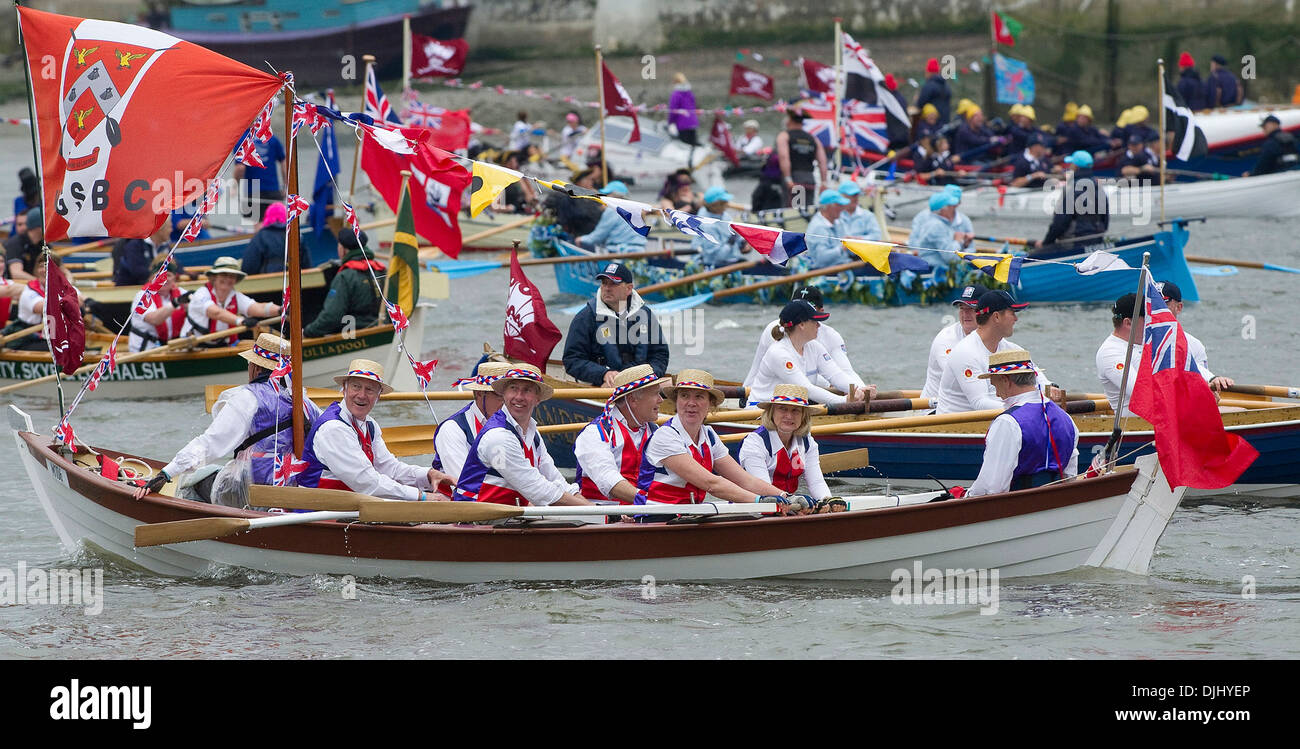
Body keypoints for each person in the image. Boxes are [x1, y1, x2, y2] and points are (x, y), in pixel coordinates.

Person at [132, 333, 326, 501]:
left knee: (190, 481)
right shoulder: (303, 401)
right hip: (295, 490)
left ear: (255, 368)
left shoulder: (247, 397)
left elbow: (209, 445)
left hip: (252, 492)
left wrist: (166, 473)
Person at [636, 368, 796, 508]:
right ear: (676, 401)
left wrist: (786, 497)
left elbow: (745, 480)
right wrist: (760, 501)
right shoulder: (666, 436)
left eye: (699, 397)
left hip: (686, 516)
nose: (691, 403)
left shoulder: (709, 435)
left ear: (710, 404)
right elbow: (711, 484)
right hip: (654, 517)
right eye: (684, 396)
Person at [298, 359, 452, 499]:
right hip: (317, 510)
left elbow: (389, 468)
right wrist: (422, 497)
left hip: (348, 506)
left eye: (370, 390)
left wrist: (428, 474)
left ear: (378, 396)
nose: (362, 395)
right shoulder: (333, 429)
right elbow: (367, 482)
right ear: (344, 390)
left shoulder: (370, 425)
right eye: (356, 387)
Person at [454, 363, 593, 507]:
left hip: (508, 518)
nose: (519, 397)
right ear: (504, 394)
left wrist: (593, 509)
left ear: (538, 399)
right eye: (513, 389)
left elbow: (554, 479)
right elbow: (538, 491)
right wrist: (592, 511)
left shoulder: (534, 434)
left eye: (527, 390)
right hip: (476, 520)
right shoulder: (497, 437)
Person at [964, 349, 1078, 496]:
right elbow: (1070, 475)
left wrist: (964, 496)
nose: (997, 394)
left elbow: (991, 487)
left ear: (1006, 381)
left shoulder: (1007, 422)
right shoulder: (1066, 418)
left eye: (995, 385)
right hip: (1057, 500)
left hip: (1017, 505)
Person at [937, 290, 1054, 414]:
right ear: (996, 317)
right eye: (1012, 313)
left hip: (998, 418)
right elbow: (980, 402)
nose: (1016, 319)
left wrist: (1051, 389)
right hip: (956, 426)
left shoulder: (1012, 350)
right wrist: (1025, 408)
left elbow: (1040, 380)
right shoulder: (965, 352)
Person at [747, 299, 872, 407]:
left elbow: (835, 375)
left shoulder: (814, 347)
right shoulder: (778, 353)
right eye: (815, 321)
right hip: (761, 410)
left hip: (789, 411)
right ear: (801, 324)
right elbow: (806, 389)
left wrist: (860, 390)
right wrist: (844, 401)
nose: (819, 325)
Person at [573, 364, 669, 504]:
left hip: (644, 513)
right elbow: (608, 479)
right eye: (655, 393)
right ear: (632, 400)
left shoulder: (656, 432)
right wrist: (652, 503)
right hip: (603, 518)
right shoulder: (595, 433)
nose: (661, 400)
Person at [563, 261, 669, 387]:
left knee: (669, 384)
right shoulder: (585, 317)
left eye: (613, 283)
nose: (607, 288)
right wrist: (603, 374)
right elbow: (572, 360)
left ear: (629, 288)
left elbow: (660, 355)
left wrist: (647, 376)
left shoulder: (646, 315)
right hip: (600, 384)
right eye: (604, 283)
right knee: (611, 386)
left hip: (640, 383)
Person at [739, 384, 832, 502]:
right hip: (753, 508)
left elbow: (816, 482)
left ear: (804, 416)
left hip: (788, 505)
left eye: (796, 410)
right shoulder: (754, 443)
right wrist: (792, 501)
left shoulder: (808, 442)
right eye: (783, 408)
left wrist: (828, 501)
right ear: (772, 412)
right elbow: (762, 488)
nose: (789, 416)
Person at [431, 361, 512, 492]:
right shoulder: (452, 429)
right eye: (500, 395)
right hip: (462, 506)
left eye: (511, 395)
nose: (508, 403)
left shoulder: (520, 425)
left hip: (507, 502)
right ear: (479, 393)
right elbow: (465, 485)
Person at [181, 256, 281, 345]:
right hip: (194, 344)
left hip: (222, 344)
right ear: (214, 277)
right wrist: (241, 321)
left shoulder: (236, 296)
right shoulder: (201, 294)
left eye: (232, 276)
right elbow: (216, 313)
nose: (228, 279)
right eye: (224, 275)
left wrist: (281, 310)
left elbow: (258, 308)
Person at [302, 230, 383, 338]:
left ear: (343, 249)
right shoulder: (381, 271)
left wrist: (308, 332)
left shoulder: (344, 277)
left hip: (353, 335)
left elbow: (331, 316)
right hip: (382, 329)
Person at [1158, 281, 1234, 391]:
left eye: (1163, 305)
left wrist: (1213, 379)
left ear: (1179, 308)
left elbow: (1198, 384)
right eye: (1152, 305)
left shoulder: (1194, 345)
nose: (1156, 311)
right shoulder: (1135, 339)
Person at [920, 283, 987, 400]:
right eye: (962, 308)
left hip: (971, 405)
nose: (965, 314)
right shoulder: (946, 339)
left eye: (971, 309)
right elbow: (961, 379)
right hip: (936, 410)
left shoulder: (995, 338)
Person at [1033, 151, 1109, 250]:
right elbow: (1105, 221)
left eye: (1071, 165)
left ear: (1076, 167)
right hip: (1096, 241)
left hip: (1073, 244)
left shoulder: (1071, 189)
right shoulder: (1100, 189)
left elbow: (1060, 223)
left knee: (1036, 253)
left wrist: (1046, 243)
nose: (1069, 168)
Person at [4, 253, 82, 350]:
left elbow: (80, 302)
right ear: (36, 270)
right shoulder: (29, 291)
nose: (44, 270)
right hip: (29, 340)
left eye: (49, 266)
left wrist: (66, 285)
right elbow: (46, 307)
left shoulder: (65, 287)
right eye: (41, 266)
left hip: (55, 340)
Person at [127, 256, 187, 352]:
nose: (164, 279)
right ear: (152, 278)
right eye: (160, 275)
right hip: (145, 350)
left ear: (174, 279)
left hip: (173, 349)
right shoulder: (142, 296)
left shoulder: (181, 293)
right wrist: (175, 303)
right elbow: (154, 319)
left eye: (168, 275)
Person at [1095, 292, 1142, 416]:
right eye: (1149, 319)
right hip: (1134, 428)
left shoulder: (1150, 344)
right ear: (1128, 323)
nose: (1154, 324)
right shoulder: (1110, 352)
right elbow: (1139, 391)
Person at [909, 189, 971, 275]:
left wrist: (964, 244)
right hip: (931, 272)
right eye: (950, 206)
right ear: (942, 210)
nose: (954, 208)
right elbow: (950, 257)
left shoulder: (940, 224)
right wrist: (958, 241)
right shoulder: (936, 226)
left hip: (936, 269)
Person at [239, 202, 311, 276]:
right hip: (292, 280)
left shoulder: (260, 237)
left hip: (269, 281)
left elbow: (248, 266)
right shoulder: (296, 236)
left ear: (266, 217)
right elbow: (307, 265)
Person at [576, 181, 648, 254]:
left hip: (623, 253)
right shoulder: (632, 209)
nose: (601, 198)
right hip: (639, 252)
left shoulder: (613, 210)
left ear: (614, 197)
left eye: (606, 195)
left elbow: (598, 236)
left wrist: (581, 239)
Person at [776, 108, 827, 207]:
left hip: (794, 179)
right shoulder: (813, 139)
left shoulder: (784, 136)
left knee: (794, 212)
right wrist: (824, 182)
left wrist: (788, 179)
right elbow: (822, 161)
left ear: (790, 120)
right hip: (810, 179)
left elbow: (784, 157)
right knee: (807, 210)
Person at [234, 131, 286, 221]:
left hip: (252, 189)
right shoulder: (271, 138)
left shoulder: (242, 140)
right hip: (273, 189)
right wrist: (286, 186)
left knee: (258, 224)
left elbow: (240, 168)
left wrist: (234, 185)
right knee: (277, 223)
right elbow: (284, 162)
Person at [693, 185, 745, 266]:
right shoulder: (708, 226)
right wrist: (730, 243)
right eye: (725, 202)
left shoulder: (724, 215)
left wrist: (742, 242)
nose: (728, 204)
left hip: (729, 259)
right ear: (715, 205)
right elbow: (717, 256)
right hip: (713, 264)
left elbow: (733, 233)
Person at [110, 220, 170, 287]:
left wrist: (171, 274)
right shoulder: (134, 245)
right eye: (169, 227)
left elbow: (177, 267)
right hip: (130, 289)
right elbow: (137, 271)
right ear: (159, 229)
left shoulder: (165, 246)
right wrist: (160, 275)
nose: (171, 230)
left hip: (157, 288)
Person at [803, 189, 850, 269]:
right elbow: (821, 258)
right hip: (828, 273)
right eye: (839, 205)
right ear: (828, 207)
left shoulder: (837, 222)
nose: (842, 208)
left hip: (842, 267)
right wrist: (843, 248)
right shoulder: (818, 227)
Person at [4, 207, 44, 282]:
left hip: (29, 285)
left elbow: (59, 268)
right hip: (12, 285)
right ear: (39, 227)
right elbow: (16, 273)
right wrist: (40, 283)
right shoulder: (15, 243)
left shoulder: (42, 243)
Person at [915, 58, 952, 124]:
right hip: (946, 121)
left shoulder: (928, 86)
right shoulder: (945, 85)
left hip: (933, 123)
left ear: (929, 72)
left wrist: (917, 99)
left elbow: (920, 104)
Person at [668, 73, 699, 146]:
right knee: (693, 144)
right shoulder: (690, 93)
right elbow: (694, 105)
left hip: (682, 123)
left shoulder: (676, 94)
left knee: (684, 145)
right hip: (692, 121)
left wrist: (670, 122)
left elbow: (673, 110)